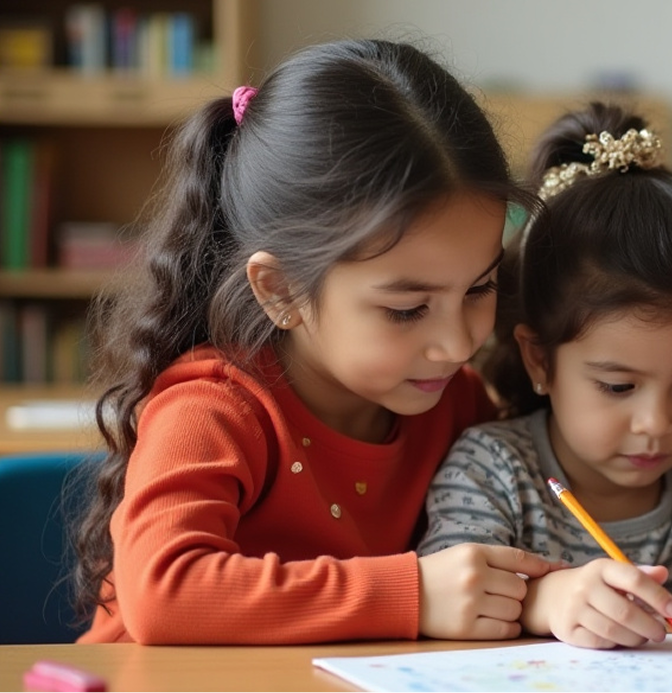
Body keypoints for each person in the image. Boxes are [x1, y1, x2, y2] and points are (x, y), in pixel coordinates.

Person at [69, 39, 559, 644]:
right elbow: (163, 594)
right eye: (407, 310)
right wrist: (413, 595)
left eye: (480, 289)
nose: (457, 343)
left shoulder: (458, 405)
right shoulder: (214, 410)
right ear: (280, 291)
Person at [418, 103, 672, 650]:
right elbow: (452, 595)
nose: (656, 423)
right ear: (540, 360)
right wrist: (548, 599)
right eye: (618, 386)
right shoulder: (492, 473)